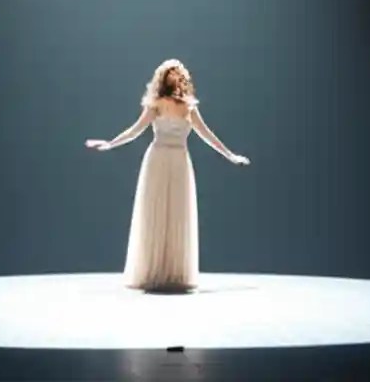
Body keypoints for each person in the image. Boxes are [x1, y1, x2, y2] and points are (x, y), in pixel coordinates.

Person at [85, 59, 249, 292]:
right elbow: (135, 130)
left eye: (177, 73)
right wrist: (111, 144)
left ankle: (175, 271)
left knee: (177, 214)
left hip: (180, 161)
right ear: (163, 78)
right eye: (170, 73)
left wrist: (230, 155)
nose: (174, 77)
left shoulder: (190, 107)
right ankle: (152, 270)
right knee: (155, 212)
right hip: (158, 160)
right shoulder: (156, 105)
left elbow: (207, 134)